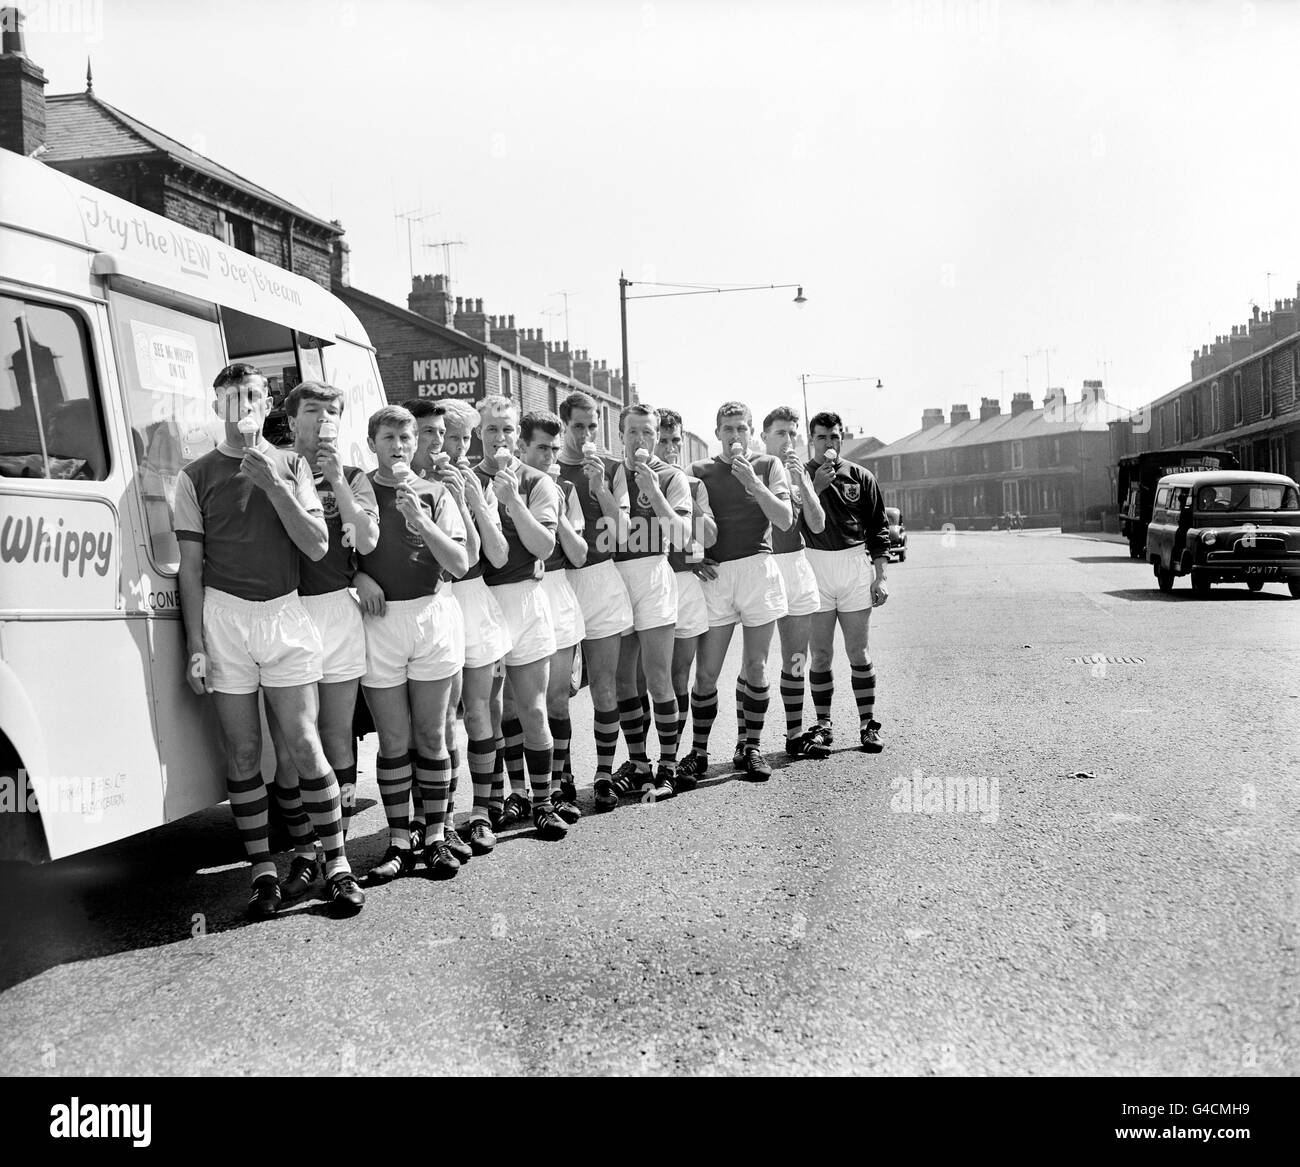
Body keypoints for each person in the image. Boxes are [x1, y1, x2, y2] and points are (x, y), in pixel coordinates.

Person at [173, 363, 364, 919]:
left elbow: (314, 544)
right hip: (224, 619)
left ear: (267, 405)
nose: (242, 406)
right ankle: (263, 874)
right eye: (230, 398)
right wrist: (195, 647)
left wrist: (274, 484)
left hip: (285, 614)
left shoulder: (294, 465)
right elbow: (189, 570)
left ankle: (337, 865)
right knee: (246, 752)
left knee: (304, 745)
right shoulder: (194, 476)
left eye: (252, 395)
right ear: (217, 408)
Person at [264, 381, 380, 902]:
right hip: (288, 611)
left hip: (338, 611)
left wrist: (360, 574)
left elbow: (368, 541)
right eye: (313, 411)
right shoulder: (274, 467)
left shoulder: (354, 475)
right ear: (292, 420)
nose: (323, 420)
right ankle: (304, 853)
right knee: (293, 749)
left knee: (336, 737)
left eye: (332, 411)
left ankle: (336, 850)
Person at [355, 405, 468, 881]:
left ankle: (437, 836)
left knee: (431, 735)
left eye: (405, 438)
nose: (399, 446)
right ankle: (399, 840)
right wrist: (358, 575)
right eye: (389, 438)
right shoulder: (359, 487)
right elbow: (339, 551)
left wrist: (420, 520)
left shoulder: (436, 492)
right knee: (394, 741)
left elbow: (460, 563)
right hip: (380, 622)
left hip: (429, 614)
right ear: (373, 443)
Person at [472, 394, 569, 840]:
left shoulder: (538, 481)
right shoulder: (468, 480)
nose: (501, 437)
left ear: (518, 433)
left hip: (527, 599)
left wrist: (512, 501)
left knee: (531, 707)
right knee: (495, 711)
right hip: (483, 603)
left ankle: (544, 802)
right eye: (492, 429)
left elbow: (545, 549)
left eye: (508, 429)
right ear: (479, 434)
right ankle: (508, 795)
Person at [681, 402, 793, 781]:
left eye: (741, 429)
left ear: (751, 432)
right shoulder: (698, 472)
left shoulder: (767, 466)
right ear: (717, 433)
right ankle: (698, 751)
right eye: (727, 429)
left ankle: (751, 746)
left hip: (758, 569)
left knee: (756, 666)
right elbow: (682, 522)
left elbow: (784, 519)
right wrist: (691, 558)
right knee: (707, 672)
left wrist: (754, 484)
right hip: (716, 575)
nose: (735, 436)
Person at [607, 403, 694, 801]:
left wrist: (653, 492)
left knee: (658, 676)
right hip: (616, 579)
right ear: (620, 435)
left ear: (657, 436)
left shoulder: (672, 476)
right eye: (632, 433)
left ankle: (669, 765)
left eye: (647, 433)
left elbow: (682, 538)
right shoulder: (608, 472)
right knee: (625, 678)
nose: (640, 440)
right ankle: (639, 762)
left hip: (655, 575)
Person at [435, 399, 511, 854]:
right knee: (442, 720)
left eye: (467, 437)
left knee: (481, 712)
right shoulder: (408, 476)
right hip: (434, 601)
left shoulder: (475, 480)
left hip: (476, 598)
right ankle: (441, 820)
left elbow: (492, 555)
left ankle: (482, 812)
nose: (460, 447)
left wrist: (471, 498)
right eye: (451, 436)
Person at [555, 392, 636, 811]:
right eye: (578, 426)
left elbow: (624, 534)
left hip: (602, 578)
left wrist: (598, 487)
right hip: (561, 581)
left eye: (592, 427)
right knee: (561, 689)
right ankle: (562, 774)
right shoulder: (548, 466)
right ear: (564, 425)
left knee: (605, 684)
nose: (586, 434)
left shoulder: (611, 468)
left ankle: (603, 774)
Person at [802, 411, 891, 754]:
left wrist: (880, 576)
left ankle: (867, 724)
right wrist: (815, 487)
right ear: (813, 440)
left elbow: (878, 529)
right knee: (820, 654)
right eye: (822, 437)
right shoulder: (800, 476)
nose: (829, 443)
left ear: (842, 438)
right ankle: (823, 724)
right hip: (815, 565)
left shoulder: (861, 476)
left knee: (858, 651)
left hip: (854, 564)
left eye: (834, 437)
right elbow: (787, 524)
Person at [516, 411, 587, 824]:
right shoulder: (505, 481)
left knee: (556, 698)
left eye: (554, 449)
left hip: (557, 590)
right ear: (523, 446)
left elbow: (578, 554)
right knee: (515, 702)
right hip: (518, 592)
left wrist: (555, 504)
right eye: (541, 447)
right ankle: (517, 792)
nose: (549, 456)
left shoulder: (565, 488)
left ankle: (562, 782)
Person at [651, 408, 716, 791]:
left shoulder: (691, 483)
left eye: (676, 440)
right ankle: (643, 761)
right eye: (664, 440)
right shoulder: (633, 478)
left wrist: (696, 555)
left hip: (686, 584)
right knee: (648, 678)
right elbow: (633, 535)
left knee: (679, 675)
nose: (672, 447)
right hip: (652, 583)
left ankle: (671, 761)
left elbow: (705, 535)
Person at [760, 406, 830, 760]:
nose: (788, 441)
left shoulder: (798, 475)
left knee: (796, 658)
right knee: (754, 662)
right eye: (780, 434)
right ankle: (748, 742)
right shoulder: (754, 470)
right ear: (764, 437)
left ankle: (795, 733)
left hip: (796, 566)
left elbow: (816, 525)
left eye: (792, 434)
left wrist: (803, 481)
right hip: (761, 566)